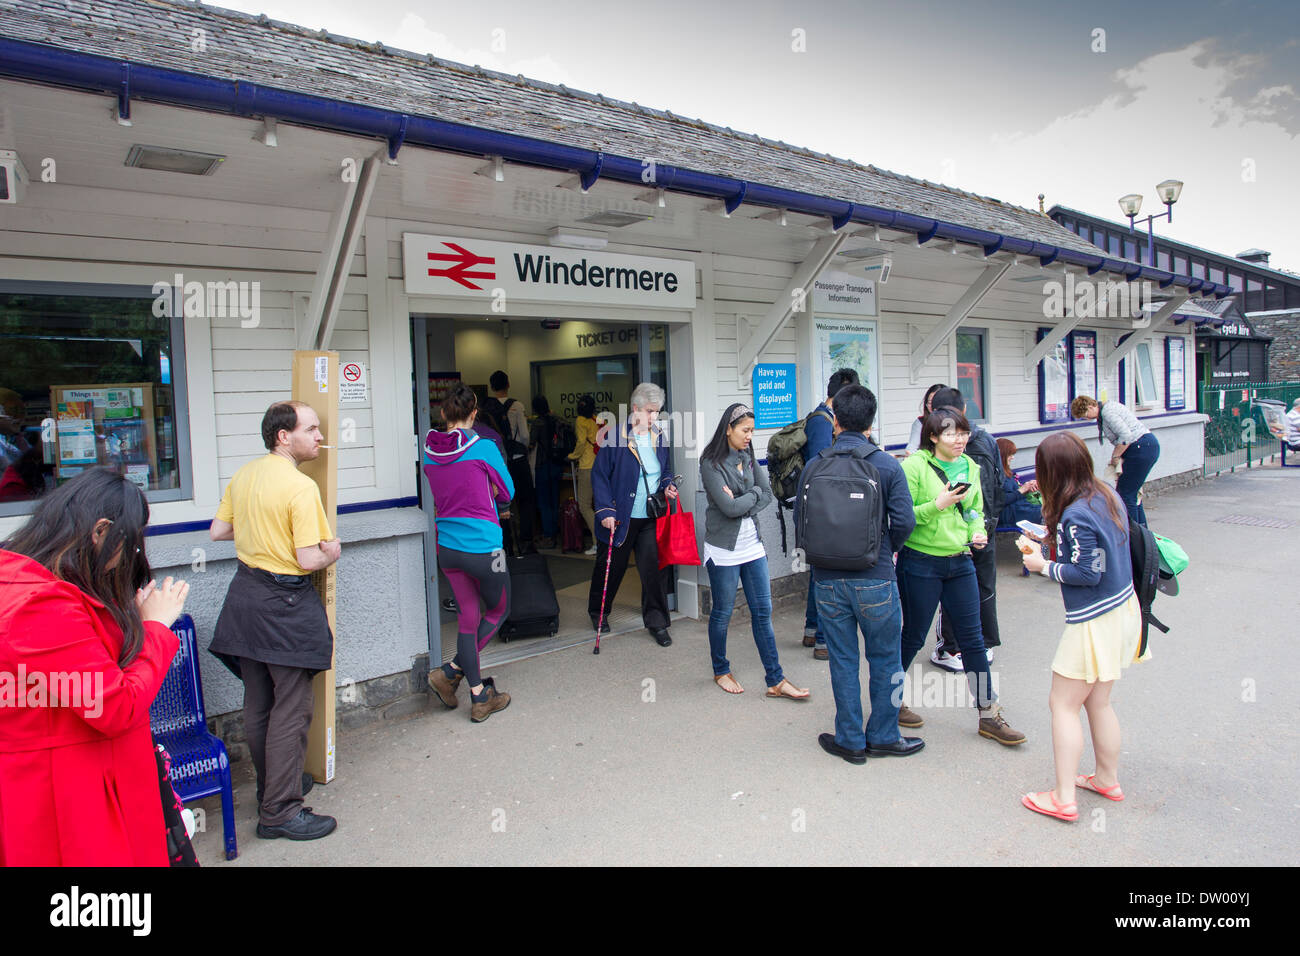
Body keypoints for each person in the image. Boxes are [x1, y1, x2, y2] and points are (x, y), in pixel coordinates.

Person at [0, 468, 189, 865]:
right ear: (101, 531)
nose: (132, 557)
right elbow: (114, 706)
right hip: (76, 809)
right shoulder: (40, 605)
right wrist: (155, 629)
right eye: (132, 545)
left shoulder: (29, 583)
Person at [208, 401, 341, 842]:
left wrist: (258, 529)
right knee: (293, 706)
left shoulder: (245, 474)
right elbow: (308, 558)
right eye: (313, 429)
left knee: (259, 701)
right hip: (283, 603)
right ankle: (281, 812)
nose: (320, 436)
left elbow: (219, 531)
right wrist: (333, 551)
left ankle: (272, 790)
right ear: (284, 436)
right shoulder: (300, 487)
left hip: (244, 597)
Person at [1018, 431, 1148, 822]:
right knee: (1098, 701)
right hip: (1123, 608)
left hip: (1094, 620)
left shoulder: (1074, 512)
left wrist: (1042, 566)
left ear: (1052, 470)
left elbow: (1086, 572)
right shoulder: (1104, 493)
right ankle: (1107, 778)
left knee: (1062, 704)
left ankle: (1063, 797)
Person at [803, 385, 919, 764]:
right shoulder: (886, 465)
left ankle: (850, 739)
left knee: (842, 659)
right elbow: (904, 522)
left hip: (827, 579)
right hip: (876, 576)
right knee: (886, 659)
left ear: (835, 421)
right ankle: (884, 735)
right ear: (871, 423)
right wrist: (886, 549)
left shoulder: (814, 464)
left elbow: (802, 522)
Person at [897, 407, 1026, 745]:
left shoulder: (970, 465)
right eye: (952, 433)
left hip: (961, 561)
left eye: (964, 432)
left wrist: (977, 531)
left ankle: (989, 714)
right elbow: (901, 518)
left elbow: (974, 510)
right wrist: (935, 506)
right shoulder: (914, 467)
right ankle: (888, 698)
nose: (960, 439)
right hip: (920, 562)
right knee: (912, 636)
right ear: (934, 436)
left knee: (973, 640)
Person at [700, 402, 808, 699]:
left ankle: (775, 679)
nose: (750, 436)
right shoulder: (710, 463)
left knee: (763, 612)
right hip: (724, 548)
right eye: (745, 431)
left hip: (753, 545)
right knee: (722, 612)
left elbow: (767, 493)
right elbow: (729, 508)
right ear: (728, 430)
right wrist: (749, 496)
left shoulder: (747, 455)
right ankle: (721, 670)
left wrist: (745, 496)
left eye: (752, 431)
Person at [423, 384, 515, 722]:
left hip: (447, 547)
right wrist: (492, 494)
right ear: (474, 413)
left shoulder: (430, 450)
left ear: (445, 414)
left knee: (467, 616)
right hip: (486, 548)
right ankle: (451, 673)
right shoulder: (485, 448)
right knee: (500, 608)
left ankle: (475, 692)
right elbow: (507, 492)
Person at [589, 382, 678, 647]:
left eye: (657, 412)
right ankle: (599, 611)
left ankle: (657, 622)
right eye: (650, 411)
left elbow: (664, 470)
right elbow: (599, 477)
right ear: (635, 408)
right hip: (620, 517)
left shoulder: (658, 436)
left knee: (653, 570)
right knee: (611, 568)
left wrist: (668, 484)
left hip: (650, 516)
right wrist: (605, 509)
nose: (653, 417)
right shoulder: (615, 437)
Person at [929, 387, 1005, 668]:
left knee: (952, 588)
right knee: (984, 585)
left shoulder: (939, 445)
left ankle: (952, 648)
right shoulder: (985, 439)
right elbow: (999, 484)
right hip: (986, 525)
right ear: (963, 409)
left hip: (954, 533)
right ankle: (985, 644)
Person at [799, 368, 858, 661]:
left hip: (821, 506)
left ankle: (812, 630)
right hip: (824, 507)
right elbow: (822, 467)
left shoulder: (819, 417)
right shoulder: (824, 422)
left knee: (818, 572)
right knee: (826, 573)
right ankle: (823, 639)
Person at [1071, 394, 1160, 527]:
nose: (1086, 418)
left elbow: (1126, 436)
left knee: (1125, 494)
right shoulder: (1108, 408)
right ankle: (1142, 531)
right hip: (1144, 446)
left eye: (1084, 415)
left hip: (1140, 447)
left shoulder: (1107, 413)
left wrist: (1115, 456)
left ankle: (1132, 535)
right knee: (1132, 493)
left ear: (1090, 407)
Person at [481, 371, 535, 554]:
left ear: (492, 386)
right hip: (518, 460)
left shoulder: (485, 407)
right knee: (525, 501)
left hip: (497, 462)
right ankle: (526, 542)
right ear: (508, 384)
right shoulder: (517, 406)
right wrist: (524, 447)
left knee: (501, 501)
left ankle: (506, 544)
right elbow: (525, 435)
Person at [530, 395, 564, 550]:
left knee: (544, 503)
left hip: (543, 465)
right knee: (554, 501)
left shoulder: (537, 422)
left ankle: (548, 535)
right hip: (557, 465)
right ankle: (556, 533)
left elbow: (531, 443)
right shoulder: (556, 419)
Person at [568, 394, 599, 555]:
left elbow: (581, 442)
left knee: (585, 506)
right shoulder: (597, 420)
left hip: (587, 466)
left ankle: (597, 542)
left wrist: (572, 456)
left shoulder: (580, 420)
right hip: (600, 466)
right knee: (599, 506)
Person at [995, 437, 1043, 526]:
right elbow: (1000, 500)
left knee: (1050, 509)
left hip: (1021, 509)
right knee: (1049, 512)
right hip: (1012, 514)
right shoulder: (995, 475)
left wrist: (1028, 487)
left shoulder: (1007, 473)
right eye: (1010, 454)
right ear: (1002, 455)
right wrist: (1022, 490)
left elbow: (1016, 494)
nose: (1012, 457)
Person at [904, 383, 948, 455]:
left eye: (936, 402)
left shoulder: (956, 422)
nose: (933, 406)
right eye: (930, 402)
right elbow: (911, 448)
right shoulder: (920, 423)